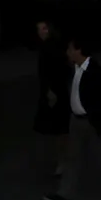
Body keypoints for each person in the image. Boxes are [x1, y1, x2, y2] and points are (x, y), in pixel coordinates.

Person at [45, 36, 101, 200]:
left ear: (78, 50)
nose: (67, 53)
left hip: (92, 122)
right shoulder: (74, 69)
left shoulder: (94, 72)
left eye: (70, 49)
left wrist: (99, 122)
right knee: (72, 157)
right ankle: (65, 193)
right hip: (76, 120)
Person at [33, 18, 70, 183]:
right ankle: (64, 160)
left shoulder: (50, 48)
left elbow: (53, 71)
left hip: (56, 93)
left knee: (60, 130)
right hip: (56, 91)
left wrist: (51, 91)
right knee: (60, 130)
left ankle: (65, 161)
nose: (41, 32)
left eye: (44, 28)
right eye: (39, 29)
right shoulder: (49, 47)